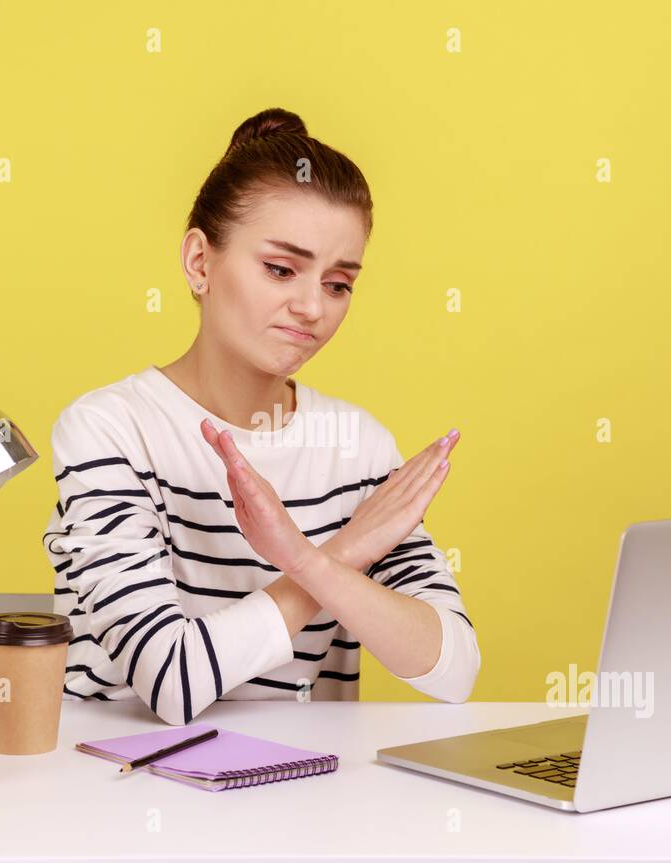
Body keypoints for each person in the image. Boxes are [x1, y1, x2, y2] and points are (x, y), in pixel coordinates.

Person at [41, 107, 479, 725]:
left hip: (301, 795)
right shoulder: (110, 430)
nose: (311, 307)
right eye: (281, 269)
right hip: (122, 790)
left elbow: (454, 668)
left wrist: (310, 559)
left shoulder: (356, 447)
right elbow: (172, 681)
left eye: (338, 284)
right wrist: (335, 556)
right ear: (200, 262)